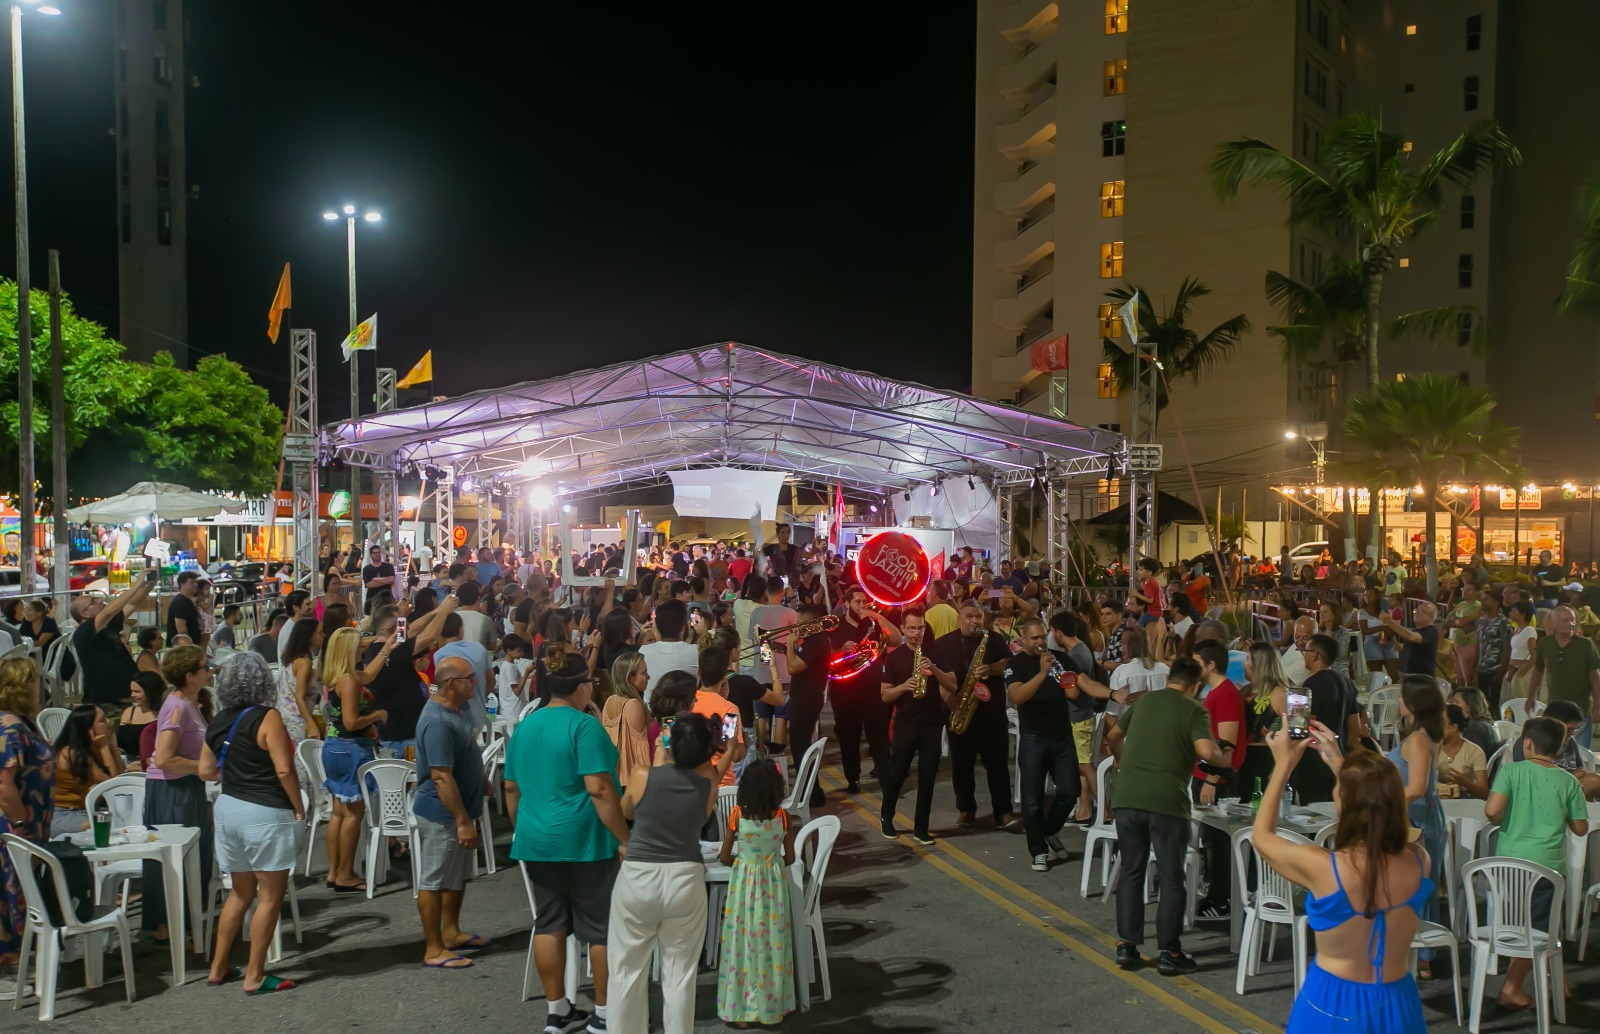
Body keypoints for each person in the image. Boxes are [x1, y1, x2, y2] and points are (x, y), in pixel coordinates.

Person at [1251, 723, 1429, 1033]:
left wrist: (1283, 767)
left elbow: (1262, 836)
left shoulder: (1325, 868)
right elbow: (1379, 802)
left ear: (1346, 805)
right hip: (1397, 1002)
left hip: (1332, 1004)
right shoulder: (1418, 860)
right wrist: (1341, 765)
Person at [505, 668, 628, 1034]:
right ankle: (604, 1015)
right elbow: (600, 789)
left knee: (549, 923)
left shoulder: (525, 726)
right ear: (581, 687)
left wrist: (521, 827)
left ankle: (557, 1011)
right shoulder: (585, 726)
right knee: (601, 929)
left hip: (536, 837)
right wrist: (624, 837)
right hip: (584, 840)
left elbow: (511, 788)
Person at [608, 712, 732, 1034]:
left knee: (626, 971)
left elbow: (626, 810)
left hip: (638, 877)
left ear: (670, 741)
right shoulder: (708, 787)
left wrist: (661, 755)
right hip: (685, 880)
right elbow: (704, 791)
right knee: (680, 975)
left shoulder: (641, 775)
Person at [1103, 657, 1228, 974]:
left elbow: (1114, 736)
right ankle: (1170, 953)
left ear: (1169, 678)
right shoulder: (1195, 710)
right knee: (1172, 877)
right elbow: (1205, 751)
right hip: (1166, 803)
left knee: (1132, 870)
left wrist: (1121, 762)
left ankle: (1127, 948)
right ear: (1196, 686)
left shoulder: (1144, 703)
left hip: (1127, 798)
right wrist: (1223, 757)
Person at [199, 653, 303, 994]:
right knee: (270, 896)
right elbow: (285, 769)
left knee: (240, 893)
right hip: (265, 811)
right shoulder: (267, 717)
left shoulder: (217, 721)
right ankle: (255, 973)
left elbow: (205, 771)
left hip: (229, 809)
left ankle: (217, 966)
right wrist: (298, 805)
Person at [1486, 715, 1590, 1010]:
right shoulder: (1568, 780)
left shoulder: (1511, 771)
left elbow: (1492, 811)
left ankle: (1549, 979)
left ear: (1527, 743)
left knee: (1522, 925)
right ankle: (1512, 987)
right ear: (1561, 747)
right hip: (1546, 867)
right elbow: (1581, 828)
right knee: (1539, 929)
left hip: (1508, 865)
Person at [411, 654, 488, 970]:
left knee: (457, 874)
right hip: (442, 815)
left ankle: (451, 932)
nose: (476, 682)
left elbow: (466, 748)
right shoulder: (438, 722)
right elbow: (441, 776)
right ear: (450, 683)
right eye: (470, 677)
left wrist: (480, 779)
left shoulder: (460, 708)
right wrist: (461, 821)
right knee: (434, 878)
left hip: (462, 810)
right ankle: (433, 948)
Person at [716, 758, 798, 1027]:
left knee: (741, 945)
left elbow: (725, 855)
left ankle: (741, 1009)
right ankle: (772, 1007)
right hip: (772, 889)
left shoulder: (738, 815)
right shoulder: (782, 817)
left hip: (744, 887)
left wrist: (742, 864)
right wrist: (771, 863)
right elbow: (790, 857)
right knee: (772, 945)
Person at [924, 600, 1018, 831]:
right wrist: (948, 699)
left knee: (997, 766)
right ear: (959, 618)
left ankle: (1003, 811)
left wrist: (991, 669)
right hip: (959, 711)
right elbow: (932, 675)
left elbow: (1010, 664)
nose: (974, 621)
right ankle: (966, 810)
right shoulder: (943, 643)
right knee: (961, 765)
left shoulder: (993, 639)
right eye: (969, 616)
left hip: (991, 714)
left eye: (978, 616)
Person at [143, 645, 215, 942]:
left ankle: (183, 921)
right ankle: (166, 925)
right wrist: (203, 766)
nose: (209, 669)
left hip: (187, 786)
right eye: (204, 666)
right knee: (177, 857)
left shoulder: (190, 704)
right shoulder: (176, 707)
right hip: (172, 789)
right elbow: (164, 758)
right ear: (190, 675)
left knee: (195, 855)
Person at [1004, 617, 1083, 871]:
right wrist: (1041, 673)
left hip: (1061, 736)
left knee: (1071, 791)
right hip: (1033, 739)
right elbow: (1018, 696)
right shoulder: (1015, 665)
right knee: (1032, 799)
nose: (1040, 642)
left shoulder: (1061, 659)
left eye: (1042, 637)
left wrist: (1060, 674)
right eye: (1035, 637)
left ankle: (1049, 831)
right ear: (1024, 639)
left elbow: (1073, 692)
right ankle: (1037, 850)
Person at [320, 626, 393, 893]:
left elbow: (369, 673)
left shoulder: (337, 676)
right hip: (350, 748)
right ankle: (346, 874)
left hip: (333, 745)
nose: (363, 646)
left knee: (339, 811)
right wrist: (377, 716)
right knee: (354, 812)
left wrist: (386, 648)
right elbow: (351, 722)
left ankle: (333, 870)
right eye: (359, 644)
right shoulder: (350, 681)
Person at [1386, 674, 1447, 978]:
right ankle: (1419, 952)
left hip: (1416, 820)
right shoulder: (1420, 737)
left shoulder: (1419, 739)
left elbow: (1418, 787)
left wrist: (1383, 801)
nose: (1397, 701)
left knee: (1418, 886)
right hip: (1421, 817)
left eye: (1401, 696)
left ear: (1412, 704)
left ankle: (1422, 955)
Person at [0, 657, 53, 965]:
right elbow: (4, 783)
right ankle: (13, 963)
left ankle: (23, 959)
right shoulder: (8, 726)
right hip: (16, 827)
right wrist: (21, 822)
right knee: (13, 894)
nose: (39, 686)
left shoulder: (19, 721)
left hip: (30, 825)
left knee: (22, 891)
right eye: (35, 680)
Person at [879, 609, 946, 845]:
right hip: (906, 723)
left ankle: (921, 828)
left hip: (931, 723)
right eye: (912, 628)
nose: (917, 633)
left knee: (927, 776)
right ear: (904, 629)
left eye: (921, 628)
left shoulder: (934, 652)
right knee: (897, 772)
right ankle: (886, 816)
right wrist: (903, 687)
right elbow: (885, 696)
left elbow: (951, 683)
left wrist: (935, 668)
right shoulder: (894, 658)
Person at [1191, 640, 1245, 918]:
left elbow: (1227, 746)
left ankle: (1221, 900)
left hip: (1216, 780)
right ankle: (1216, 893)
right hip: (1203, 774)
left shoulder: (1224, 694)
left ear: (1210, 664)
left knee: (1218, 841)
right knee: (1211, 840)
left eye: (1197, 662)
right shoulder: (1215, 691)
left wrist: (1212, 779)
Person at [827, 587, 900, 793]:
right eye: (857, 602)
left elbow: (896, 638)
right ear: (847, 604)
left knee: (878, 735)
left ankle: (886, 780)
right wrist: (840, 651)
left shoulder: (873, 623)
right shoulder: (836, 627)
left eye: (864, 602)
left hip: (873, 687)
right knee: (848, 735)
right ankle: (853, 779)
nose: (862, 606)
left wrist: (876, 615)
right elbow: (824, 657)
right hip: (845, 690)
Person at [69, 569, 157, 707]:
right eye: (94, 601)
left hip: (124, 698)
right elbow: (108, 612)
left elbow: (132, 605)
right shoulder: (84, 631)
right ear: (85, 613)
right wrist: (137, 585)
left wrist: (148, 586)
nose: (101, 600)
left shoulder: (108, 626)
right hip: (104, 703)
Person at [1526, 604, 1600, 748]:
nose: (1571, 624)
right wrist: (1530, 697)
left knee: (1581, 755)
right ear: (1554, 623)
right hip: (1555, 710)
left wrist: (1597, 705)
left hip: (1581, 710)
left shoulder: (1586, 645)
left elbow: (1596, 677)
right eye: (1565, 621)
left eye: (1572, 620)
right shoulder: (1545, 644)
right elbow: (1538, 670)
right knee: (1554, 752)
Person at [49, 704, 126, 837]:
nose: (108, 722)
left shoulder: (90, 749)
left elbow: (120, 780)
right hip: (63, 815)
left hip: (84, 811)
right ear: (89, 728)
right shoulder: (72, 752)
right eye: (102, 720)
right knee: (113, 824)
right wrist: (104, 747)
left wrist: (113, 746)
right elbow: (112, 787)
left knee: (125, 818)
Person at [782, 603, 831, 810]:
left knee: (801, 747)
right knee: (799, 746)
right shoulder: (811, 640)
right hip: (803, 698)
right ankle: (813, 791)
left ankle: (810, 793)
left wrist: (789, 646)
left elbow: (794, 667)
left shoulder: (816, 641)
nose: (797, 626)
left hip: (806, 699)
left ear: (811, 622)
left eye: (800, 622)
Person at [604, 652, 652, 792]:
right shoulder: (633, 705)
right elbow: (640, 752)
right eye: (644, 673)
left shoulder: (609, 701)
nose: (648, 677)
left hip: (614, 777)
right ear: (630, 677)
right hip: (632, 781)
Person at [638, 599, 699, 700]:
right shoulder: (696, 651)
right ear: (683, 627)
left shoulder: (643, 651)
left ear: (656, 627)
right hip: (686, 712)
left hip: (652, 712)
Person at [278, 618, 323, 742]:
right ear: (309, 637)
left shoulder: (294, 658)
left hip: (287, 715)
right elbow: (299, 697)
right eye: (319, 633)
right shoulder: (304, 663)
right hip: (296, 720)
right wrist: (312, 725)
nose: (322, 635)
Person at [1107, 624, 1167, 717]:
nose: (1121, 648)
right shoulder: (1165, 669)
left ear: (1130, 646)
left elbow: (1112, 713)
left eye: (1123, 643)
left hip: (1131, 728)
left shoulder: (1121, 672)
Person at [1436, 704, 1489, 799]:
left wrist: (1465, 782)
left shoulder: (1474, 752)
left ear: (1453, 727)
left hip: (1463, 803)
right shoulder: (1432, 748)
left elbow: (1483, 792)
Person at [1380, 602, 1438, 679]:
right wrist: (1393, 638)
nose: (1416, 613)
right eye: (1416, 610)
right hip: (1406, 677)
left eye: (1420, 611)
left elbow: (1412, 637)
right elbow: (1407, 647)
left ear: (1430, 616)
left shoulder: (1431, 631)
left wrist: (1390, 622)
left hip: (1421, 679)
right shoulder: (1414, 630)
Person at [1473, 592, 1512, 705]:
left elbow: (1507, 647)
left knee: (1495, 702)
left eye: (1486, 599)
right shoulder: (1481, 620)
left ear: (1496, 603)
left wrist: (1501, 670)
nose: (1483, 602)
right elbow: (1478, 644)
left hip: (1496, 668)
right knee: (1482, 702)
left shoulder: (1503, 622)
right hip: (1481, 668)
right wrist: (1474, 666)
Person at [118, 672, 162, 760]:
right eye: (132, 691)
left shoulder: (163, 713)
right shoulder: (129, 712)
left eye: (137, 692)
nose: (132, 695)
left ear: (150, 691)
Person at [1449, 687, 1500, 758]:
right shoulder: (1481, 724)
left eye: (1456, 702)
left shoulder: (1475, 732)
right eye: (1452, 702)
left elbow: (1467, 760)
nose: (1451, 705)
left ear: (1469, 707)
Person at [166, 570, 204, 648]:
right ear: (182, 584)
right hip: (182, 649)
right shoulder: (181, 602)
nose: (195, 585)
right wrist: (188, 647)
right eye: (192, 582)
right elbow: (181, 628)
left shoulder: (187, 601)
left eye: (196, 582)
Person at [362, 545, 397, 613]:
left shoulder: (388, 566)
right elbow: (368, 585)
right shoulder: (367, 569)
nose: (377, 554)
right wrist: (385, 580)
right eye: (375, 553)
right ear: (371, 554)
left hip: (387, 598)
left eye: (378, 552)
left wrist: (375, 579)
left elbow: (391, 580)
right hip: (372, 598)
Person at [1129, 557, 1164, 625]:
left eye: (1141, 569)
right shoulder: (1147, 581)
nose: (1138, 571)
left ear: (1149, 572)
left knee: (1139, 625)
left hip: (1153, 612)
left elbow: (1150, 600)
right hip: (1151, 611)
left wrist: (1137, 594)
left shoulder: (1151, 583)